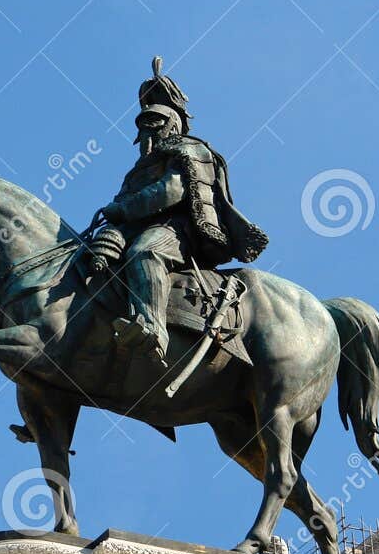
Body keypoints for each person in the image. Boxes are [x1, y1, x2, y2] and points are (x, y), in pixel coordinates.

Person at [89, 58, 266, 362]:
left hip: (177, 229)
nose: (147, 131)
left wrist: (122, 209)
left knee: (145, 253)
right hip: (134, 227)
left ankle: (152, 329)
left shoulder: (189, 149)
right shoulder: (138, 170)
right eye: (143, 125)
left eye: (153, 124)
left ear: (170, 124)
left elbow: (170, 191)